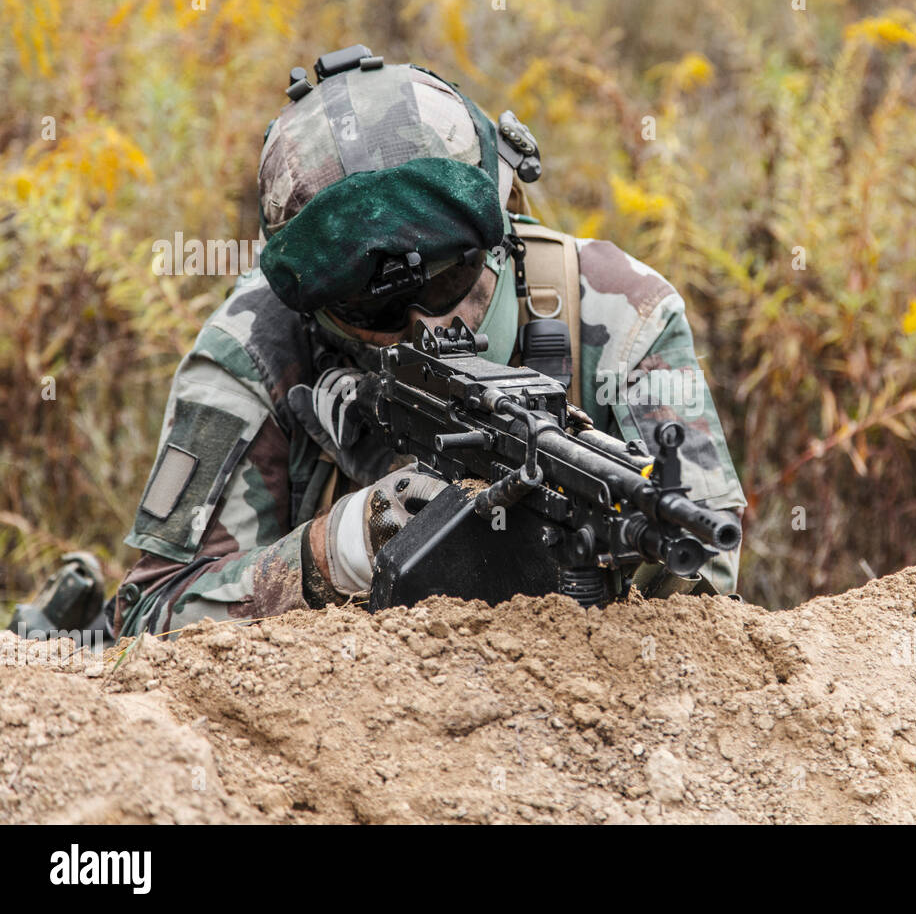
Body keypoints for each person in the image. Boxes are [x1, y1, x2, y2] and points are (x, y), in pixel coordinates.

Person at [100, 46, 745, 639]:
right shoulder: (255, 349)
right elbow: (153, 615)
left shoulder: (617, 310)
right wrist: (336, 550)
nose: (428, 328)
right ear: (317, 307)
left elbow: (706, 581)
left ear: (497, 230)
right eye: (374, 307)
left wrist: (595, 552)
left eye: (452, 279)